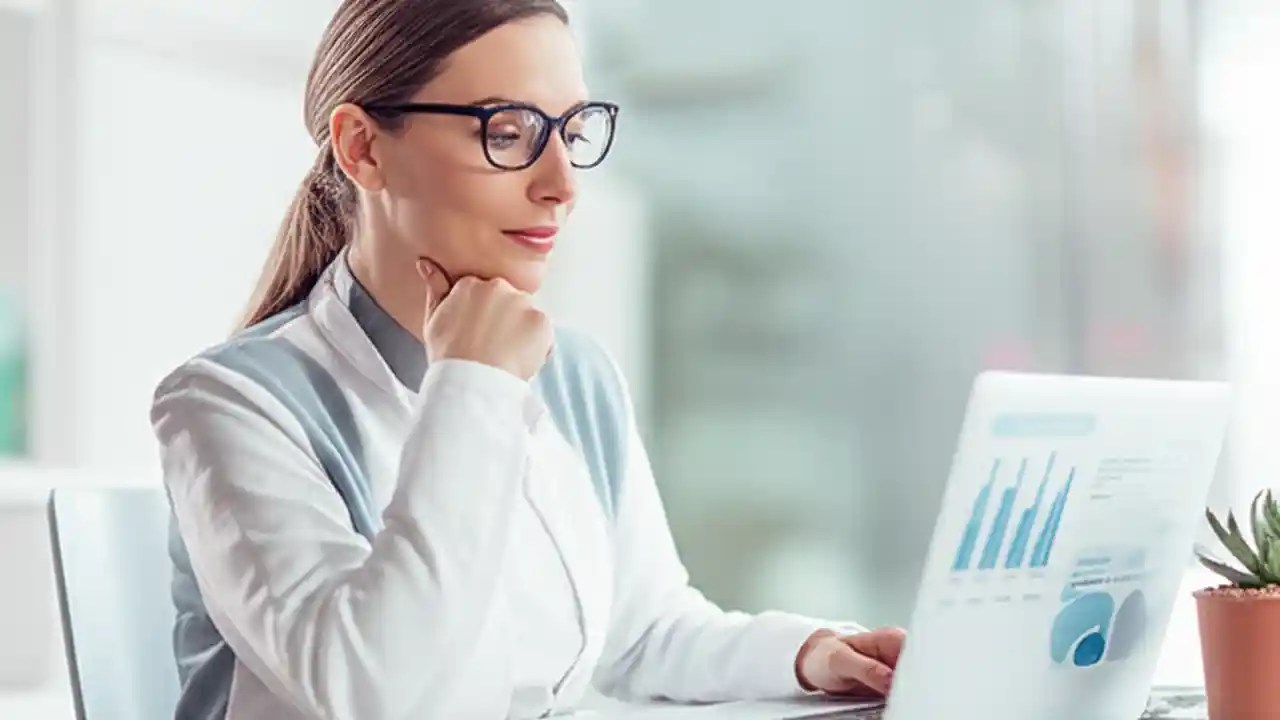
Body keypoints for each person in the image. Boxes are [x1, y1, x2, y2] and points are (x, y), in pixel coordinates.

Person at [151, 1, 906, 717]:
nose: (562, 185)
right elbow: (376, 692)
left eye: (571, 132)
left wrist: (808, 656)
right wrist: (472, 383)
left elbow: (640, 635)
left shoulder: (574, 375)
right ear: (363, 148)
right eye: (507, 134)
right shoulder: (228, 403)